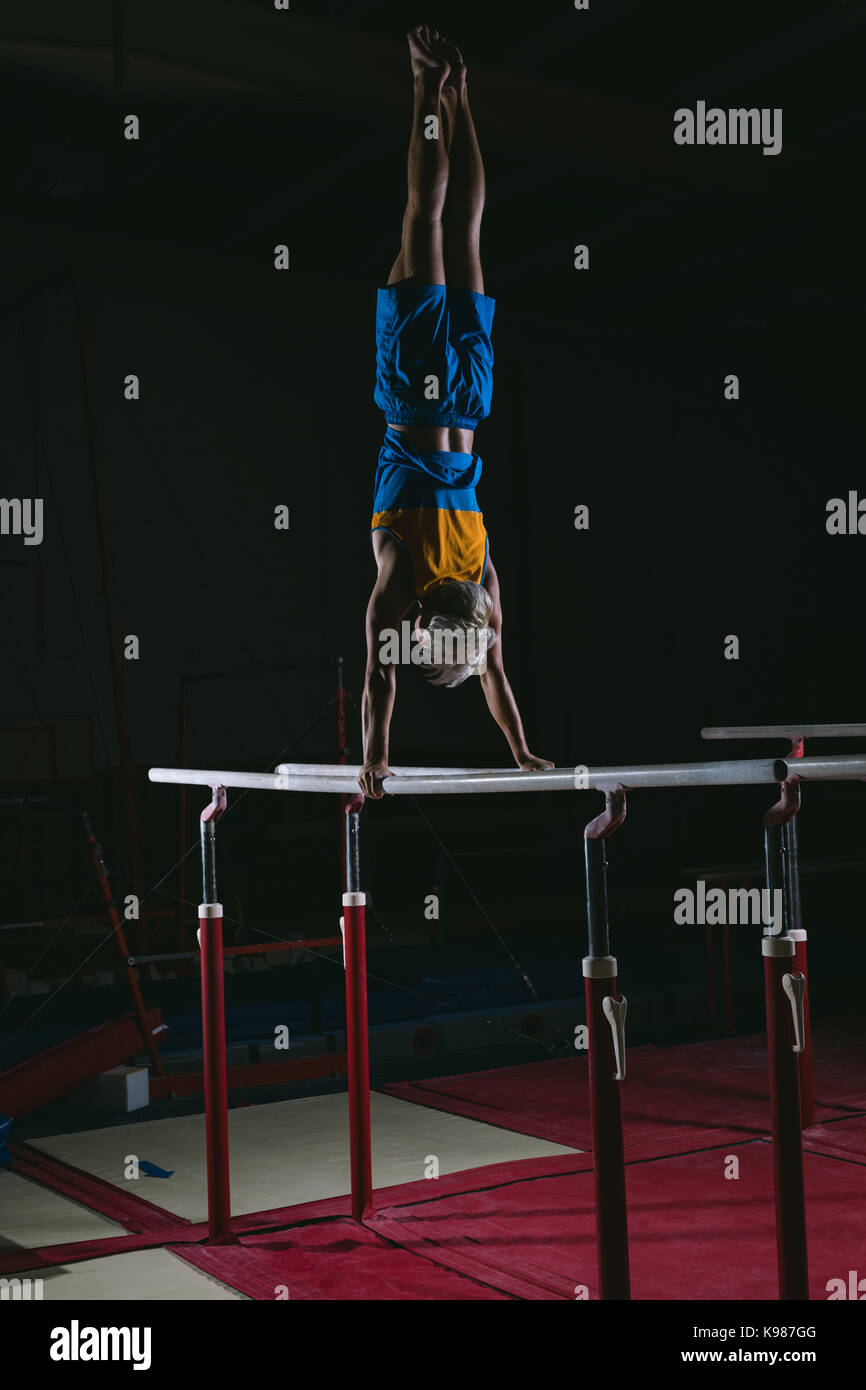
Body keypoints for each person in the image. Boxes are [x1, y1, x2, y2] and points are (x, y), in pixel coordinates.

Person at [361, 25, 553, 799]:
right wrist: (372, 758)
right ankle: (423, 84)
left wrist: (523, 752)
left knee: (466, 233)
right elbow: (380, 681)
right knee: (421, 221)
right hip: (416, 396)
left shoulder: (480, 579)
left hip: (469, 399)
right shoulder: (397, 581)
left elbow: (493, 673)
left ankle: (462, 96)